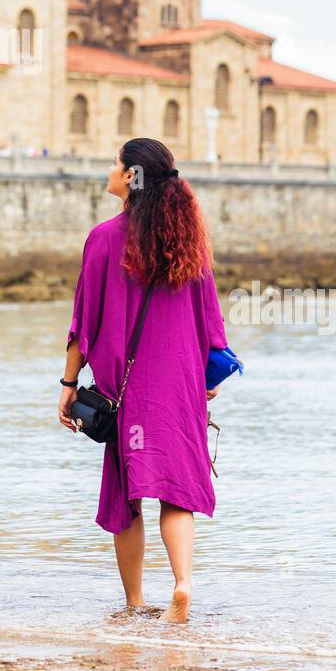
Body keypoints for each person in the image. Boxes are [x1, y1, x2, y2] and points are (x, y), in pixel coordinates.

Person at [58, 137, 228, 624]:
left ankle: (135, 603)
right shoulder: (187, 240)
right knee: (177, 491)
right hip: (180, 387)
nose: (108, 170)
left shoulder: (103, 238)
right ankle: (183, 583)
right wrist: (205, 376)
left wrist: (69, 387)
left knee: (125, 492)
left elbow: (82, 324)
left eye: (114, 164)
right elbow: (210, 320)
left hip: (125, 393)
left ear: (132, 176)